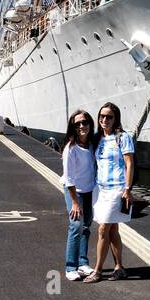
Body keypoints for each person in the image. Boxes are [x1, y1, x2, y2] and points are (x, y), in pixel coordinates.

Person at [83, 102, 145, 283]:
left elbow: (129, 164)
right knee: (113, 230)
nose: (105, 120)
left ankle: (98, 270)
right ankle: (119, 268)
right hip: (100, 190)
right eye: (102, 116)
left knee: (103, 229)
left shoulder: (122, 137)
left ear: (116, 118)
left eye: (109, 117)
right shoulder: (97, 138)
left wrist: (127, 189)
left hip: (117, 189)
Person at [61, 109, 97, 282]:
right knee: (76, 225)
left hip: (90, 190)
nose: (82, 126)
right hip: (74, 191)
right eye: (78, 124)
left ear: (90, 124)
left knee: (87, 225)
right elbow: (68, 178)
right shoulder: (71, 148)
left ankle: (83, 263)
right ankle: (70, 266)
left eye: (85, 122)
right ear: (73, 127)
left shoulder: (91, 144)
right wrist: (75, 202)